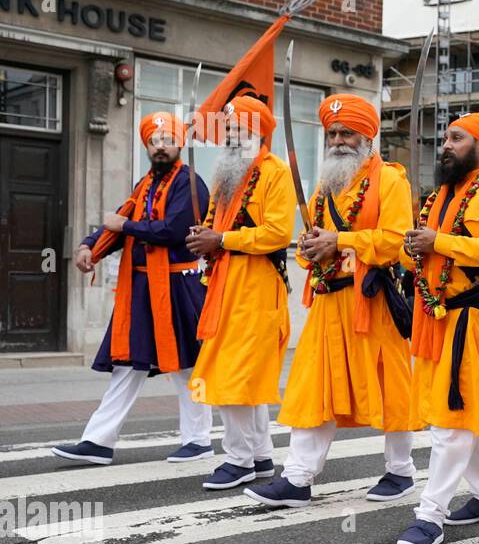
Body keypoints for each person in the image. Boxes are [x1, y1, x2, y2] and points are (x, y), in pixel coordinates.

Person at [245, 94, 419, 507]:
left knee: (389, 386)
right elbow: (317, 242)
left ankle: (401, 471)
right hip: (327, 302)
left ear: (367, 137)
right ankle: (298, 478)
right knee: (312, 388)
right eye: (333, 133)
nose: (338, 140)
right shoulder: (324, 184)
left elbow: (397, 243)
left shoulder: (391, 181)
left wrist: (339, 240)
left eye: (347, 133)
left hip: (371, 303)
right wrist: (309, 248)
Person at [53, 112, 212, 466]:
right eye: (153, 141)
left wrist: (125, 224)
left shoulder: (191, 182)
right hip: (142, 288)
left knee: (188, 367)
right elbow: (120, 223)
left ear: (179, 143)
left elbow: (171, 231)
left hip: (179, 286)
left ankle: (199, 440)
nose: (159, 146)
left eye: (166, 140)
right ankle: (97, 441)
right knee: (127, 364)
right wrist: (88, 247)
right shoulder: (145, 185)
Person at [395, 113, 479, 544]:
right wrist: (413, 250)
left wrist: (436, 242)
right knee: (462, 419)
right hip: (435, 316)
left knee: (452, 421)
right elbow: (423, 257)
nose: (445, 144)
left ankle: (430, 514)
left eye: (456, 138)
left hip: (474, 321)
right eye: (445, 136)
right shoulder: (441, 194)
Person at [185, 96, 296, 490]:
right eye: (228, 130)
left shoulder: (276, 173)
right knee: (244, 377)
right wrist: (205, 236)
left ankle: (239, 460)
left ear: (257, 133)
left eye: (239, 130)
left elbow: (279, 233)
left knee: (234, 375)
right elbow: (214, 221)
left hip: (258, 287)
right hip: (224, 284)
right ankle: (261, 457)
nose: (231, 136)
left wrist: (223, 238)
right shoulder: (225, 175)